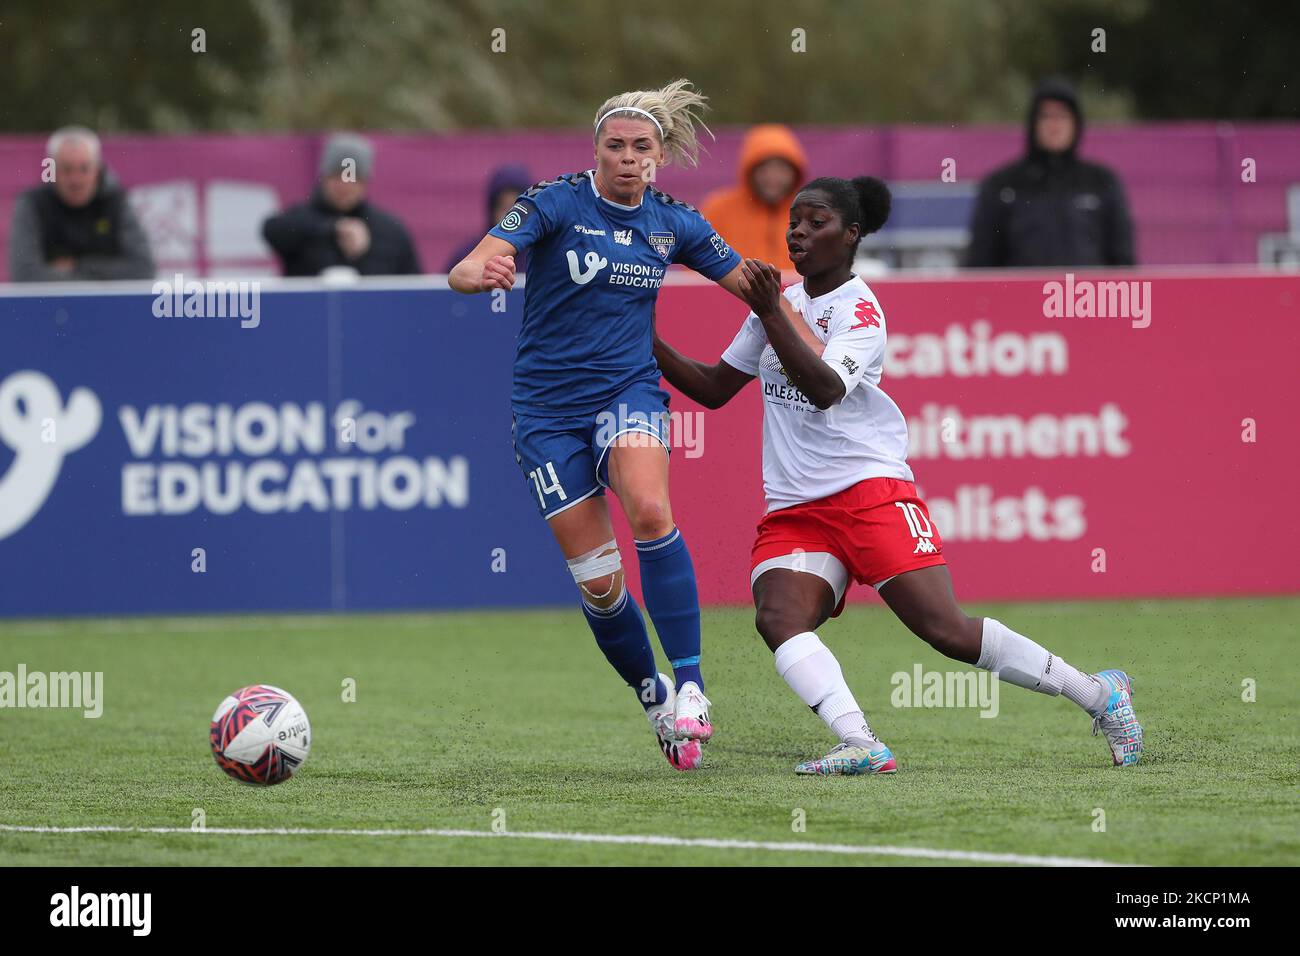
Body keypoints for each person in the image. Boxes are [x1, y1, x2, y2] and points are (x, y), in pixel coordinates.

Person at [653, 175, 1144, 775]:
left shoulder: (859, 308)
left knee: (948, 632)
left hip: (869, 491)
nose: (799, 233)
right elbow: (711, 388)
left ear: (851, 235)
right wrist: (643, 339)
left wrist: (770, 309)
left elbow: (827, 389)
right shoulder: (779, 303)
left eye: (817, 222)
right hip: (794, 507)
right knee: (778, 617)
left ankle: (1100, 695)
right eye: (795, 221)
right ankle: (859, 740)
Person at [449, 79, 819, 772]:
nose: (627, 158)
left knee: (649, 507)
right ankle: (654, 698)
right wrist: (480, 273)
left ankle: (692, 689)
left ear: (658, 156)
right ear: (596, 151)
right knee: (600, 584)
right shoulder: (554, 202)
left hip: (628, 393)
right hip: (547, 412)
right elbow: (467, 267)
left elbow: (755, 289)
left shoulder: (674, 223)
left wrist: (811, 341)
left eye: (640, 147)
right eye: (614, 146)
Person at [966, 76, 1135, 268]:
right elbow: (979, 265)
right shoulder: (1002, 185)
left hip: (1085, 296)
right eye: (1046, 116)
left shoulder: (1101, 182)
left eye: (1063, 115)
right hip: (1021, 297)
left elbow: (1124, 263)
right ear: (1033, 123)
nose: (1055, 125)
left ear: (1076, 123)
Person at [262, 133, 421, 277]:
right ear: (323, 177)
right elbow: (273, 230)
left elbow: (413, 289)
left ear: (364, 181)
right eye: (337, 175)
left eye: (352, 177)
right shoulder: (300, 220)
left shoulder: (391, 231)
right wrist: (333, 228)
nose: (344, 185)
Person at [8, 126, 155, 282]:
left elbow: (143, 269)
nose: (76, 180)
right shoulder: (32, 204)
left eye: (84, 169)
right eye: (67, 169)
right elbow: (23, 274)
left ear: (97, 170)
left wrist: (77, 267)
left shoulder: (116, 203)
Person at [699, 124, 806, 272]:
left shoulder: (809, 210)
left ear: (795, 172)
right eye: (764, 169)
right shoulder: (719, 208)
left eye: (781, 169)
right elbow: (696, 268)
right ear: (749, 171)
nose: (773, 177)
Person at [443, 165, 533, 274]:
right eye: (503, 207)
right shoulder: (469, 258)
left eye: (517, 209)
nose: (511, 217)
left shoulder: (543, 257)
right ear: (492, 210)